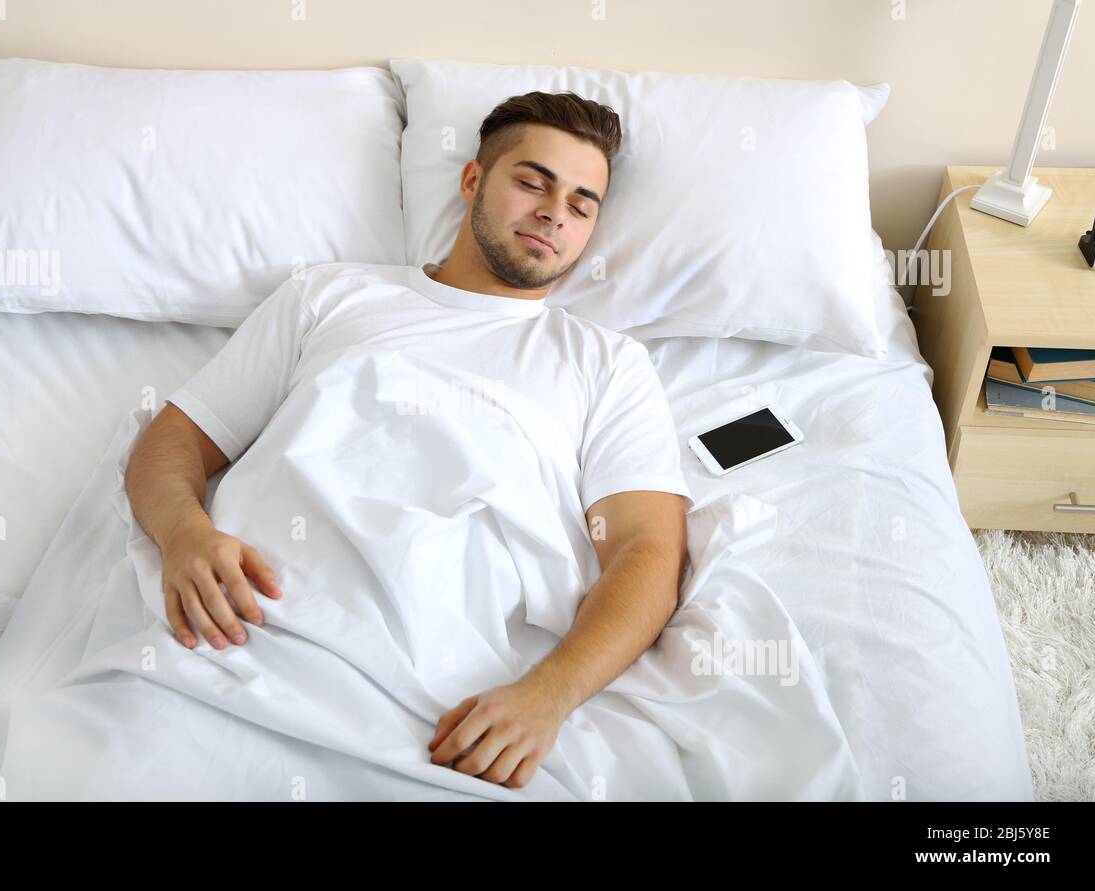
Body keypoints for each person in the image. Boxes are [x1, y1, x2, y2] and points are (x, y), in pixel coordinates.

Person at [124, 90, 693, 791]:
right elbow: (176, 436)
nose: (554, 212)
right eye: (532, 182)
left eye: (581, 204)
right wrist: (184, 534)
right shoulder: (330, 297)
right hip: (241, 639)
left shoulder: (605, 362)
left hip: (445, 704)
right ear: (473, 180)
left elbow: (648, 552)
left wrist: (549, 695)